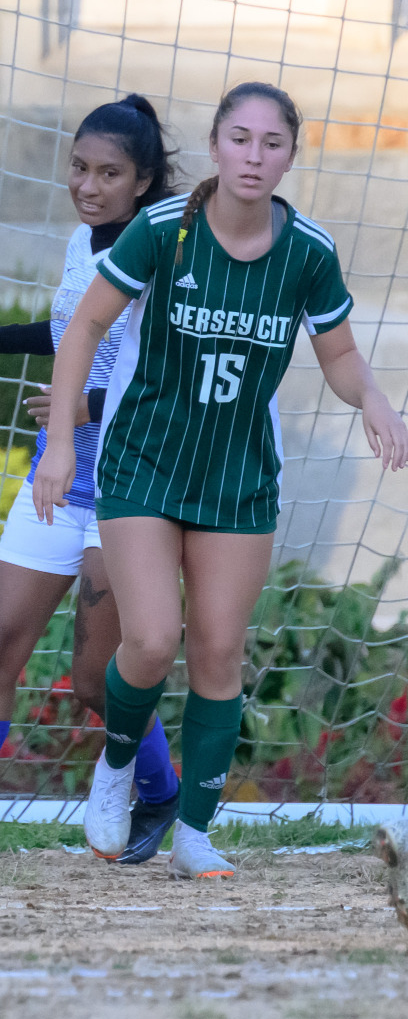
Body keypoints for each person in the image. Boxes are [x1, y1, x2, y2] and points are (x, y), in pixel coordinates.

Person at [37, 81, 408, 878]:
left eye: (271, 144)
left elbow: (337, 353)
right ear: (215, 145)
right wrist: (65, 442)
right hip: (145, 462)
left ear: (289, 156)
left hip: (237, 479)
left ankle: (195, 834)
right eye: (239, 139)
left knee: (219, 652)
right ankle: (117, 765)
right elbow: (87, 326)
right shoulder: (163, 232)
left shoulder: (307, 250)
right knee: (150, 640)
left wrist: (374, 397)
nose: (254, 155)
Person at [0, 96, 183, 864]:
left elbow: (167, 374)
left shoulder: (164, 252)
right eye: (80, 168)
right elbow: (72, 331)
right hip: (55, 483)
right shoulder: (78, 242)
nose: (89, 186)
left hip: (128, 491)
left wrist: (86, 406)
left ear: (144, 180)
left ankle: (163, 798)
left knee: (97, 683)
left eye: (109, 173)